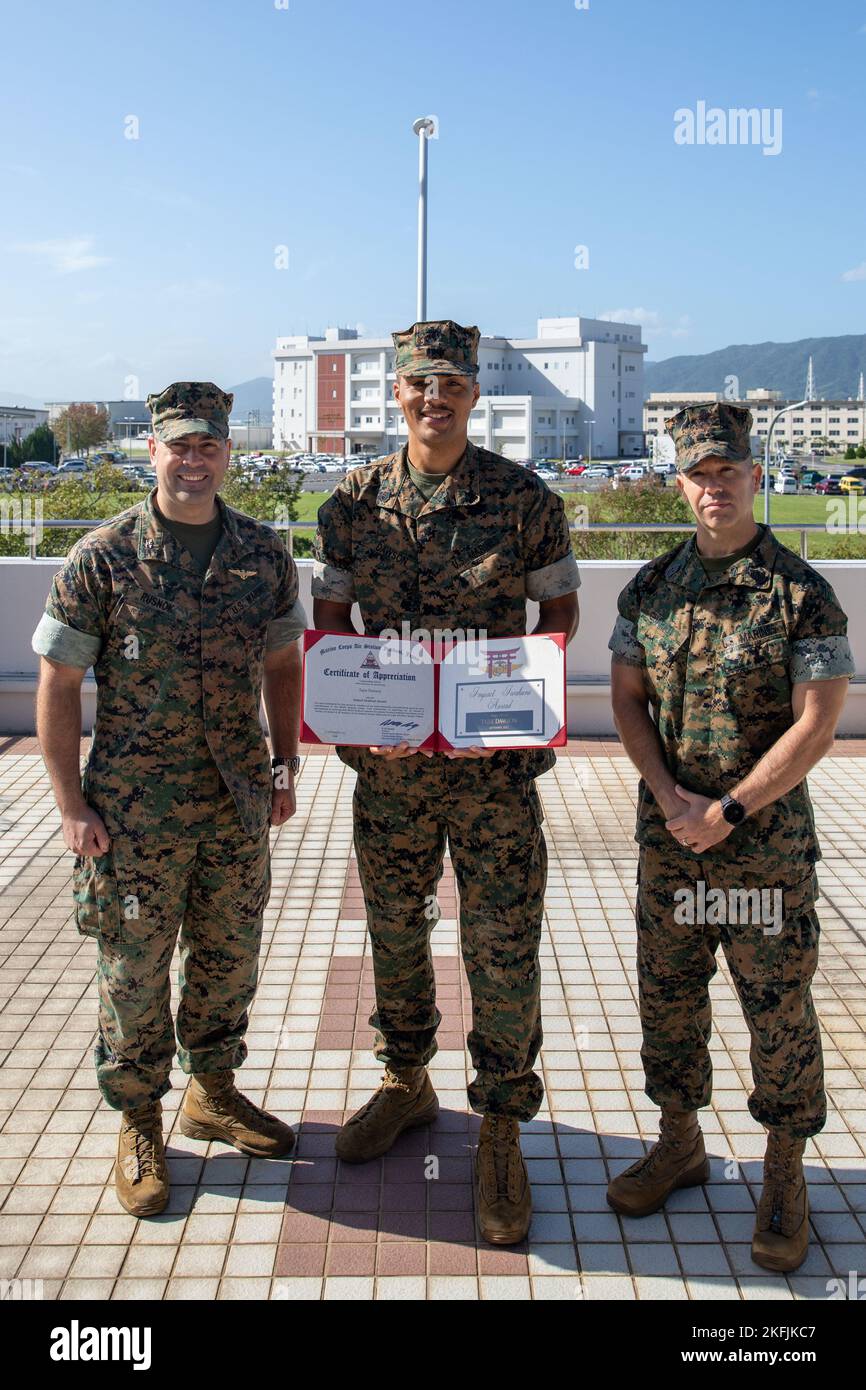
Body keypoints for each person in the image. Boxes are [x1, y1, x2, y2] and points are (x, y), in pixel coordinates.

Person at [313, 320, 580, 1244]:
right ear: (398, 392)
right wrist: (356, 724)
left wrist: (505, 702)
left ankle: (502, 1122)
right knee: (395, 927)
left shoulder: (524, 497)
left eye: (453, 384)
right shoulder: (352, 499)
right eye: (421, 383)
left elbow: (561, 612)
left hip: (492, 771)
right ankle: (407, 1081)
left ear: (474, 393)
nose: (437, 398)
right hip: (390, 772)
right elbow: (332, 613)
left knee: (502, 938)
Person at [32, 382, 306, 1217]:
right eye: (178, 445)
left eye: (208, 446)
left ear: (229, 455)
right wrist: (72, 805)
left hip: (234, 806)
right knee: (134, 970)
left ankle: (211, 1093)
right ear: (151, 451)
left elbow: (284, 665)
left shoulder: (263, 553)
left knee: (230, 959)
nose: (194, 460)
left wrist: (286, 765)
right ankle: (140, 1117)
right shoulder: (103, 556)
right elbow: (59, 681)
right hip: (133, 816)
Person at [606, 401, 855, 1272]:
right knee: (668, 1001)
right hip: (670, 843)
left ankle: (785, 1172)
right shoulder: (648, 588)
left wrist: (730, 810)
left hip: (763, 855)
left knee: (775, 1010)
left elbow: (818, 723)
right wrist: (671, 798)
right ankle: (681, 1142)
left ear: (754, 477)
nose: (715, 488)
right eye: (699, 475)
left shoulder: (801, 593)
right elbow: (627, 701)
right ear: (681, 484)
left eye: (728, 472)